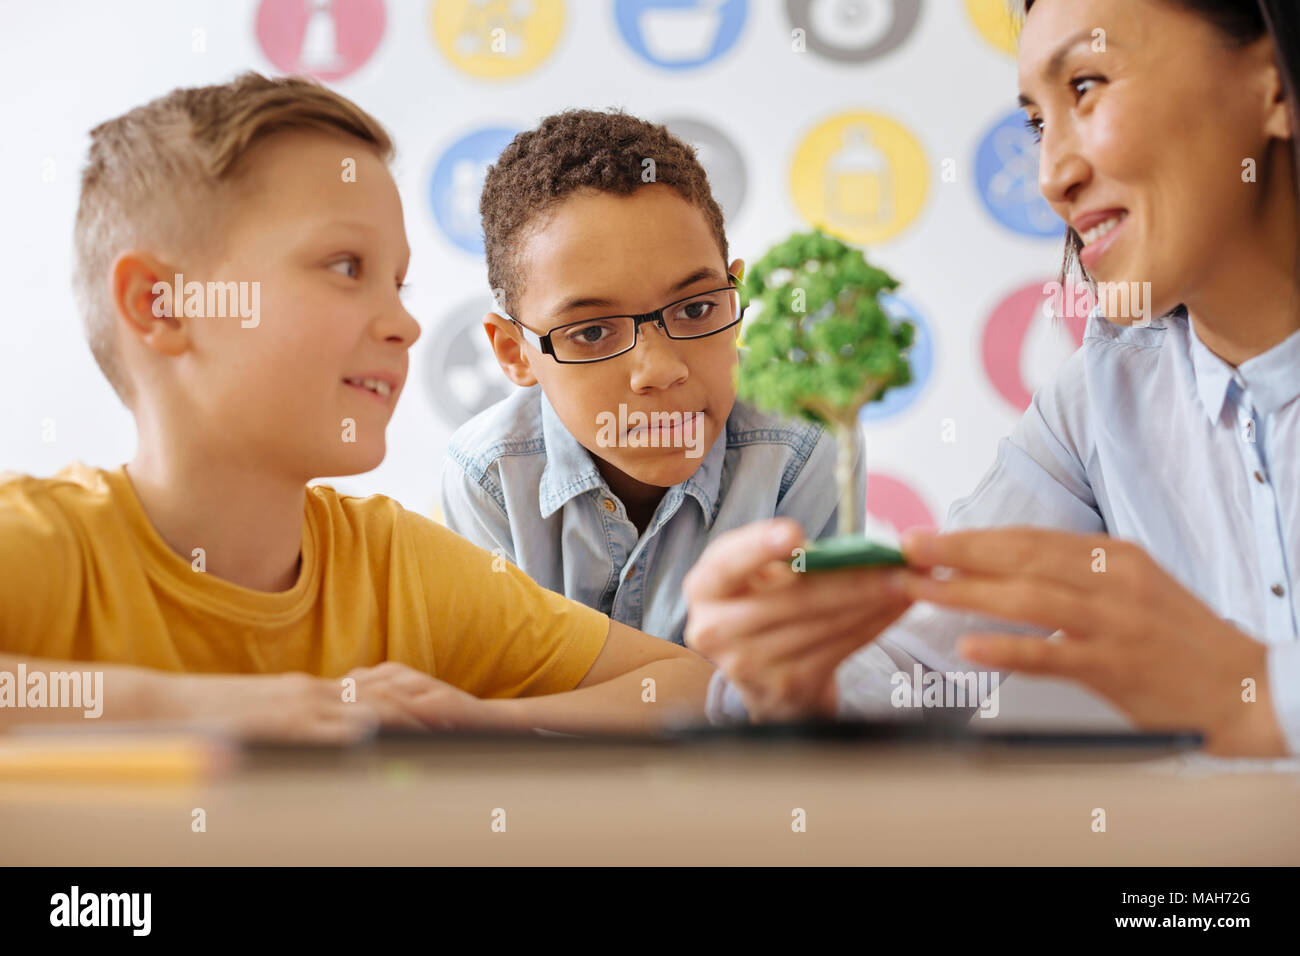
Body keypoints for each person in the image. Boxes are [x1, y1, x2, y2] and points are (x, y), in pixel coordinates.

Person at [0, 73, 714, 741]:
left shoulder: (401, 570)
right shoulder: (43, 548)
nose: (404, 325)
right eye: (346, 268)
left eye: (397, 284)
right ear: (163, 305)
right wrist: (220, 710)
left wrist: (475, 723)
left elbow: (683, 681)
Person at [684, 0, 1299, 757]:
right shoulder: (1095, 403)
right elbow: (916, 660)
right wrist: (792, 683)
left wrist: (1261, 697)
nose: (1052, 176)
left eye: (1087, 85)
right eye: (1038, 124)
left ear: (1273, 82)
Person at [439, 109, 863, 645]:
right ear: (514, 352)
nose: (661, 369)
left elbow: (797, 691)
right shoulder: (488, 478)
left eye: (694, 310)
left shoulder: (803, 444)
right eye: (592, 332)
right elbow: (511, 696)